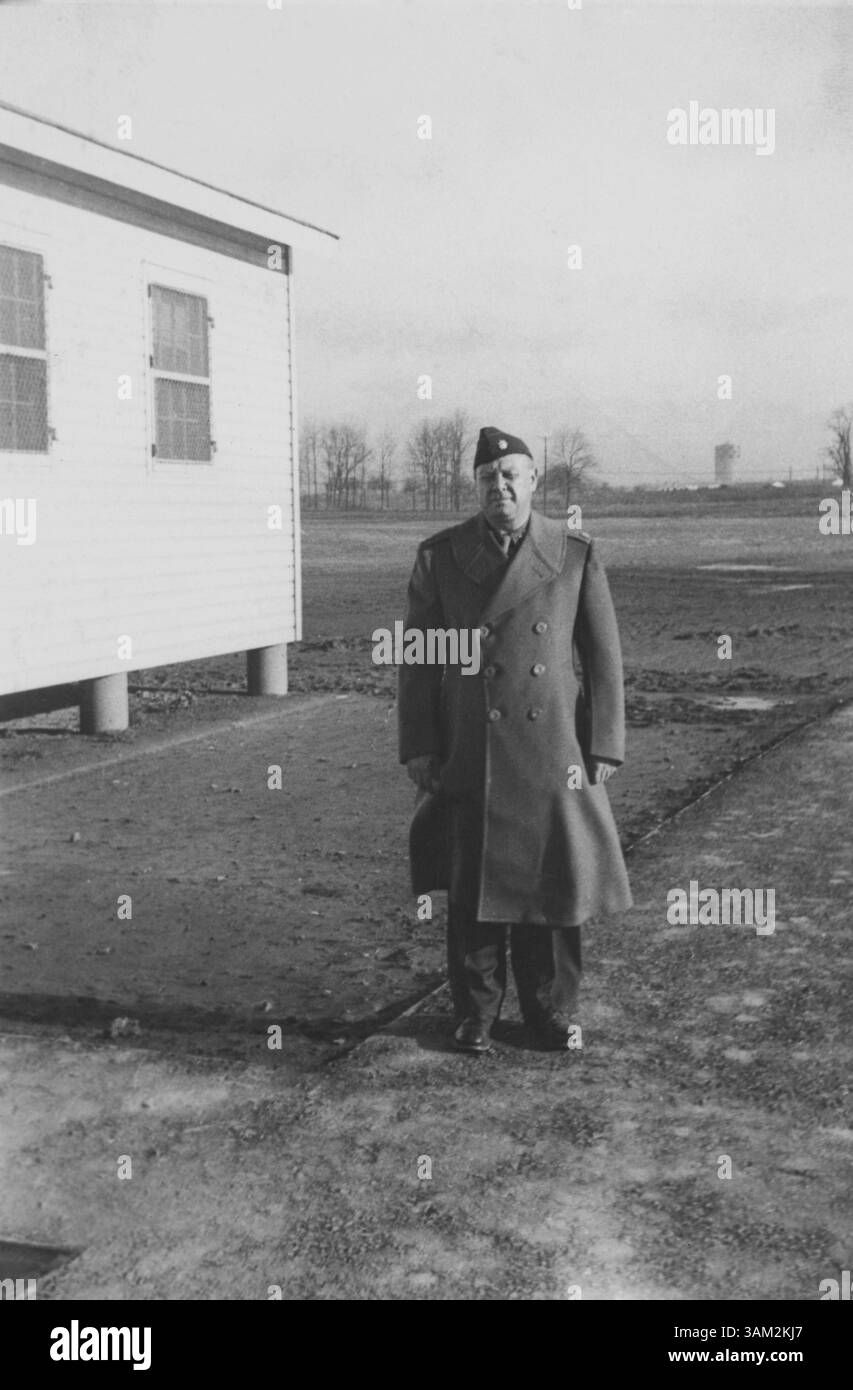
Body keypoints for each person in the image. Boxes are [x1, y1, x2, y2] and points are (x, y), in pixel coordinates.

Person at [398, 425, 632, 1052]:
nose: (498, 487)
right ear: (474, 486)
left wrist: (604, 741)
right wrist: (419, 743)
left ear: (533, 481)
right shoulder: (441, 558)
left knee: (551, 882)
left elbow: (603, 656)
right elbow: (419, 659)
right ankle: (474, 1013)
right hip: (471, 744)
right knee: (474, 884)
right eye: (486, 479)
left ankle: (549, 1012)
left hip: (553, 748)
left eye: (510, 476)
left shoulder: (574, 553)